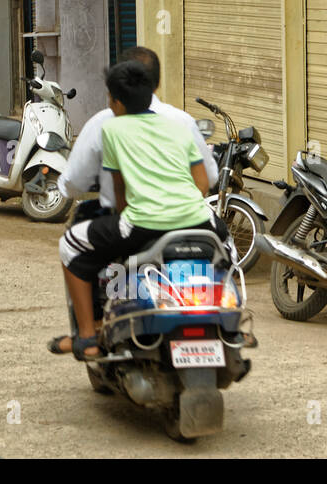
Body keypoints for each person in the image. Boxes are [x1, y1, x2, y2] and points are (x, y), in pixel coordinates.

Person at [50, 61, 225, 360]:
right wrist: (178, 205)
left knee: (70, 244)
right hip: (200, 220)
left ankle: (88, 337)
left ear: (116, 101)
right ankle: (235, 322)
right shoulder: (179, 125)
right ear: (152, 91)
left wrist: (138, 211)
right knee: (226, 251)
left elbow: (121, 191)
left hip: (143, 224)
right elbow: (203, 184)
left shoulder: (112, 128)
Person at [59, 45, 217, 216]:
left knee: (73, 238)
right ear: (156, 84)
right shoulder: (182, 123)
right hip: (185, 220)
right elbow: (207, 179)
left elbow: (79, 181)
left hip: (132, 222)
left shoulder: (106, 126)